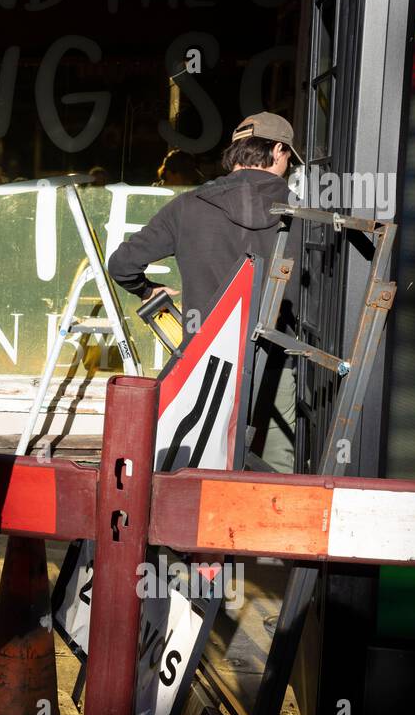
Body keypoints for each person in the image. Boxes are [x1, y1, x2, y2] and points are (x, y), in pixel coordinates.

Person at [106, 112, 305, 472]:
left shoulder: (189, 206)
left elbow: (122, 265)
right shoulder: (303, 215)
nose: (288, 164)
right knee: (277, 472)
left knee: (199, 464)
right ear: (277, 150)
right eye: (289, 156)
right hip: (274, 360)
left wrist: (147, 290)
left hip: (205, 361)